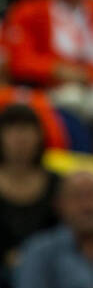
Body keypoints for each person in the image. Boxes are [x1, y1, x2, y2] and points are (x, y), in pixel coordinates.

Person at [0, 103, 60, 272]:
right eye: (12, 131)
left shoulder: (58, 184)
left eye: (27, 130)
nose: (20, 139)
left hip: (50, 267)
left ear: (40, 137)